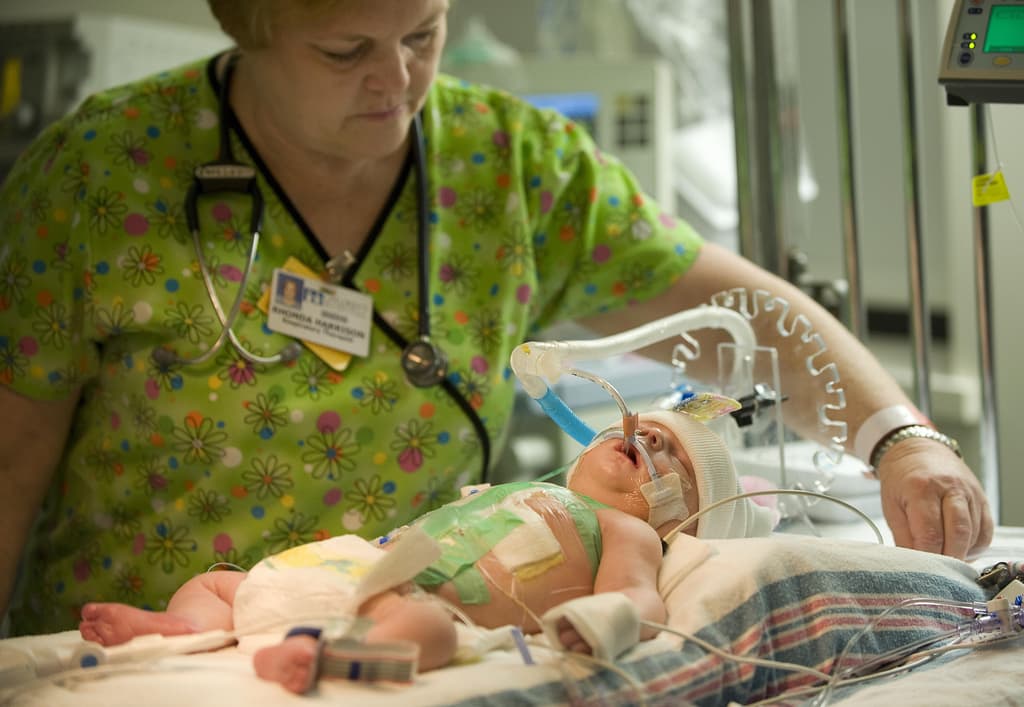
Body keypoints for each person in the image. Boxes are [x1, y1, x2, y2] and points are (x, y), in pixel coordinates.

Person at [0, 0, 991, 637]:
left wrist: (896, 437)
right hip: (146, 646)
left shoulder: (507, 167)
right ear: (244, 22)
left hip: (403, 650)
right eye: (345, 50)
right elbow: (10, 456)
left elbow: (743, 308)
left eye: (420, 35)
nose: (394, 82)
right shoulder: (104, 170)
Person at [77, 409, 773, 694]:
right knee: (220, 579)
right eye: (640, 428)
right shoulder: (520, 485)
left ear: (687, 517)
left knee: (430, 633)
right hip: (356, 565)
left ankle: (326, 656)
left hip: (423, 602)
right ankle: (185, 626)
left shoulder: (627, 531)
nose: (644, 439)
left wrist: (602, 620)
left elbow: (641, 595)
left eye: (668, 453)